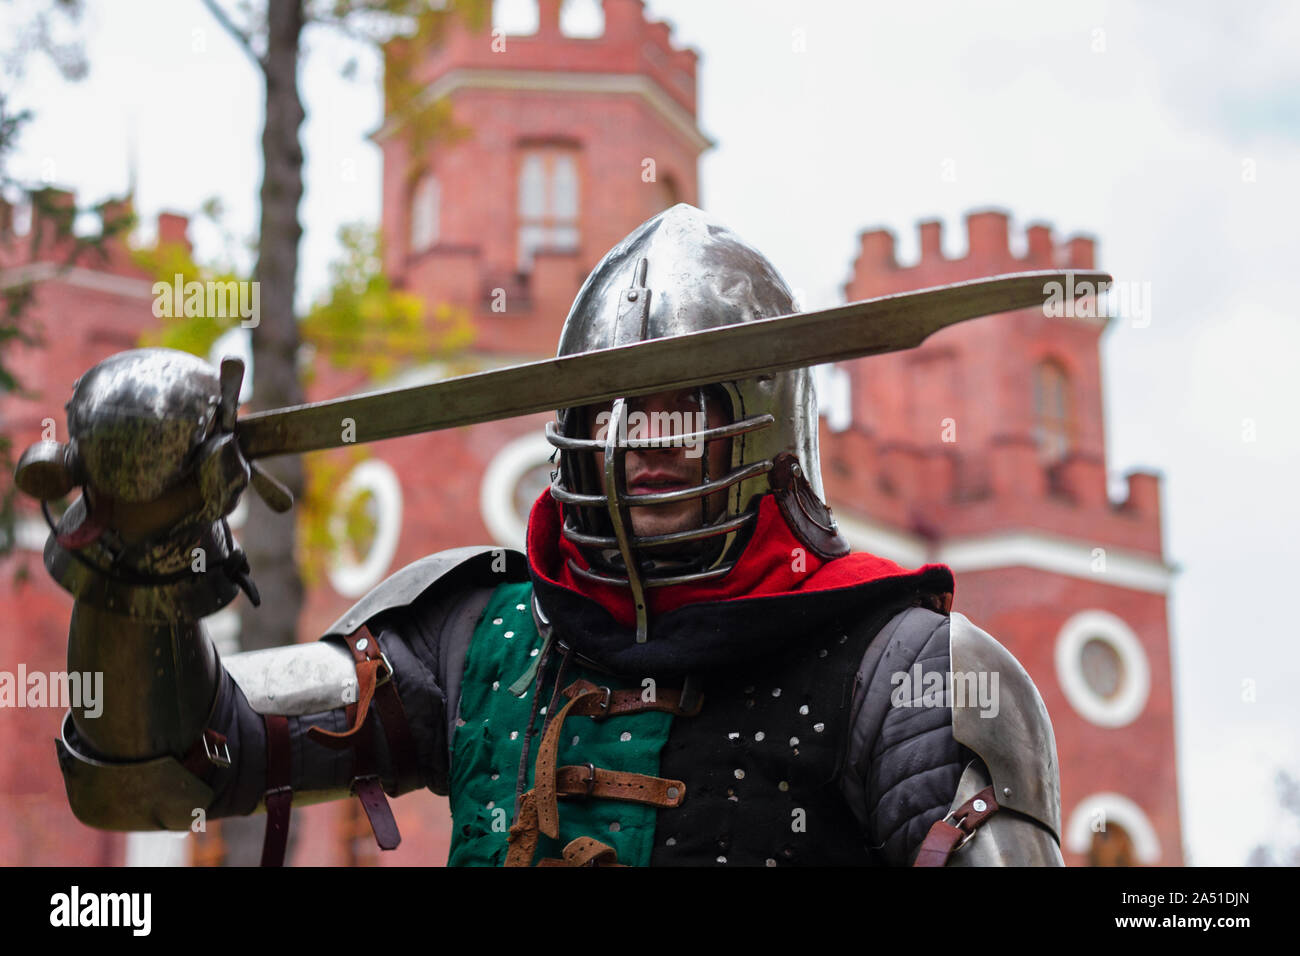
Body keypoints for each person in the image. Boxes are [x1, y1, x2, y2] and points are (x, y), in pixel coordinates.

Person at [33, 203, 1063, 867]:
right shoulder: (479, 630)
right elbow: (155, 769)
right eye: (599, 412)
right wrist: (141, 551)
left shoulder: (907, 665)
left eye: (668, 415)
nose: (630, 447)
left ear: (762, 429)